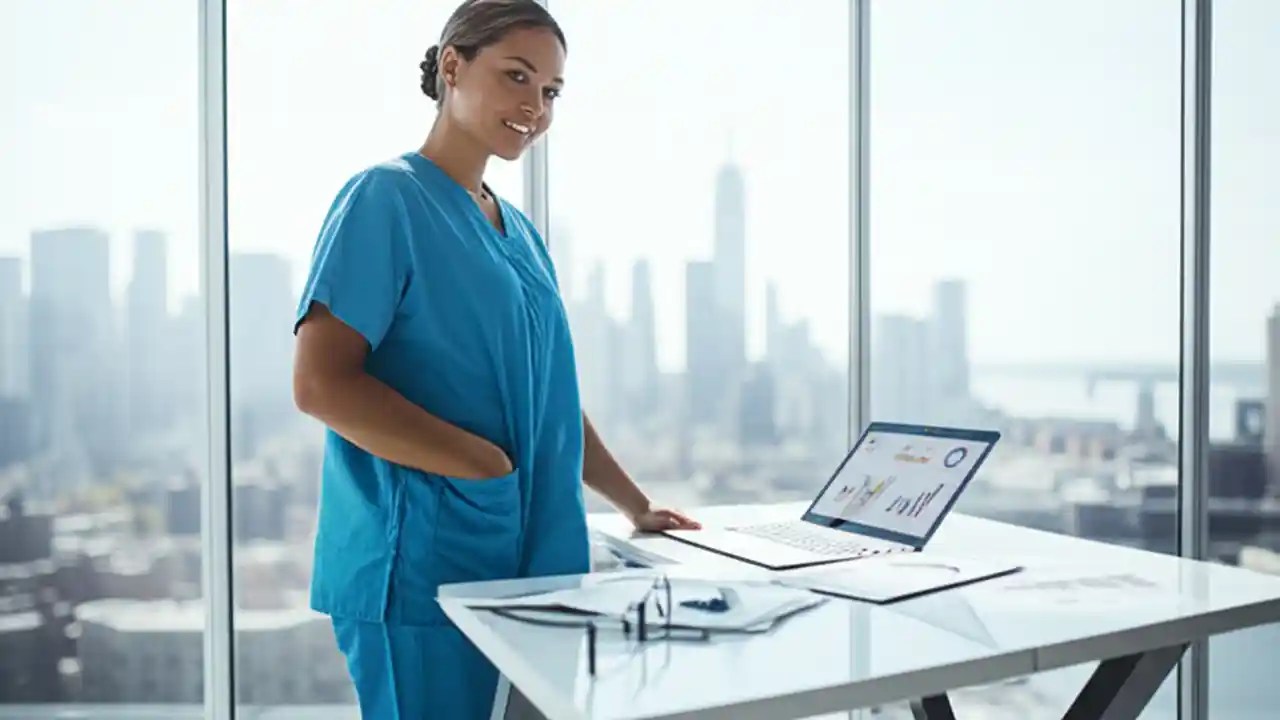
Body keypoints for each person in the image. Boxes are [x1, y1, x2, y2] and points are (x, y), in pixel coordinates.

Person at [291, 0, 701, 717]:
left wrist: (633, 502)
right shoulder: (385, 198)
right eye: (516, 76)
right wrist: (482, 466)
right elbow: (322, 385)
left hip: (530, 570)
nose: (535, 106)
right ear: (453, 64)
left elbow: (544, 395)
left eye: (550, 92)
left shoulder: (519, 233)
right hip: (420, 571)